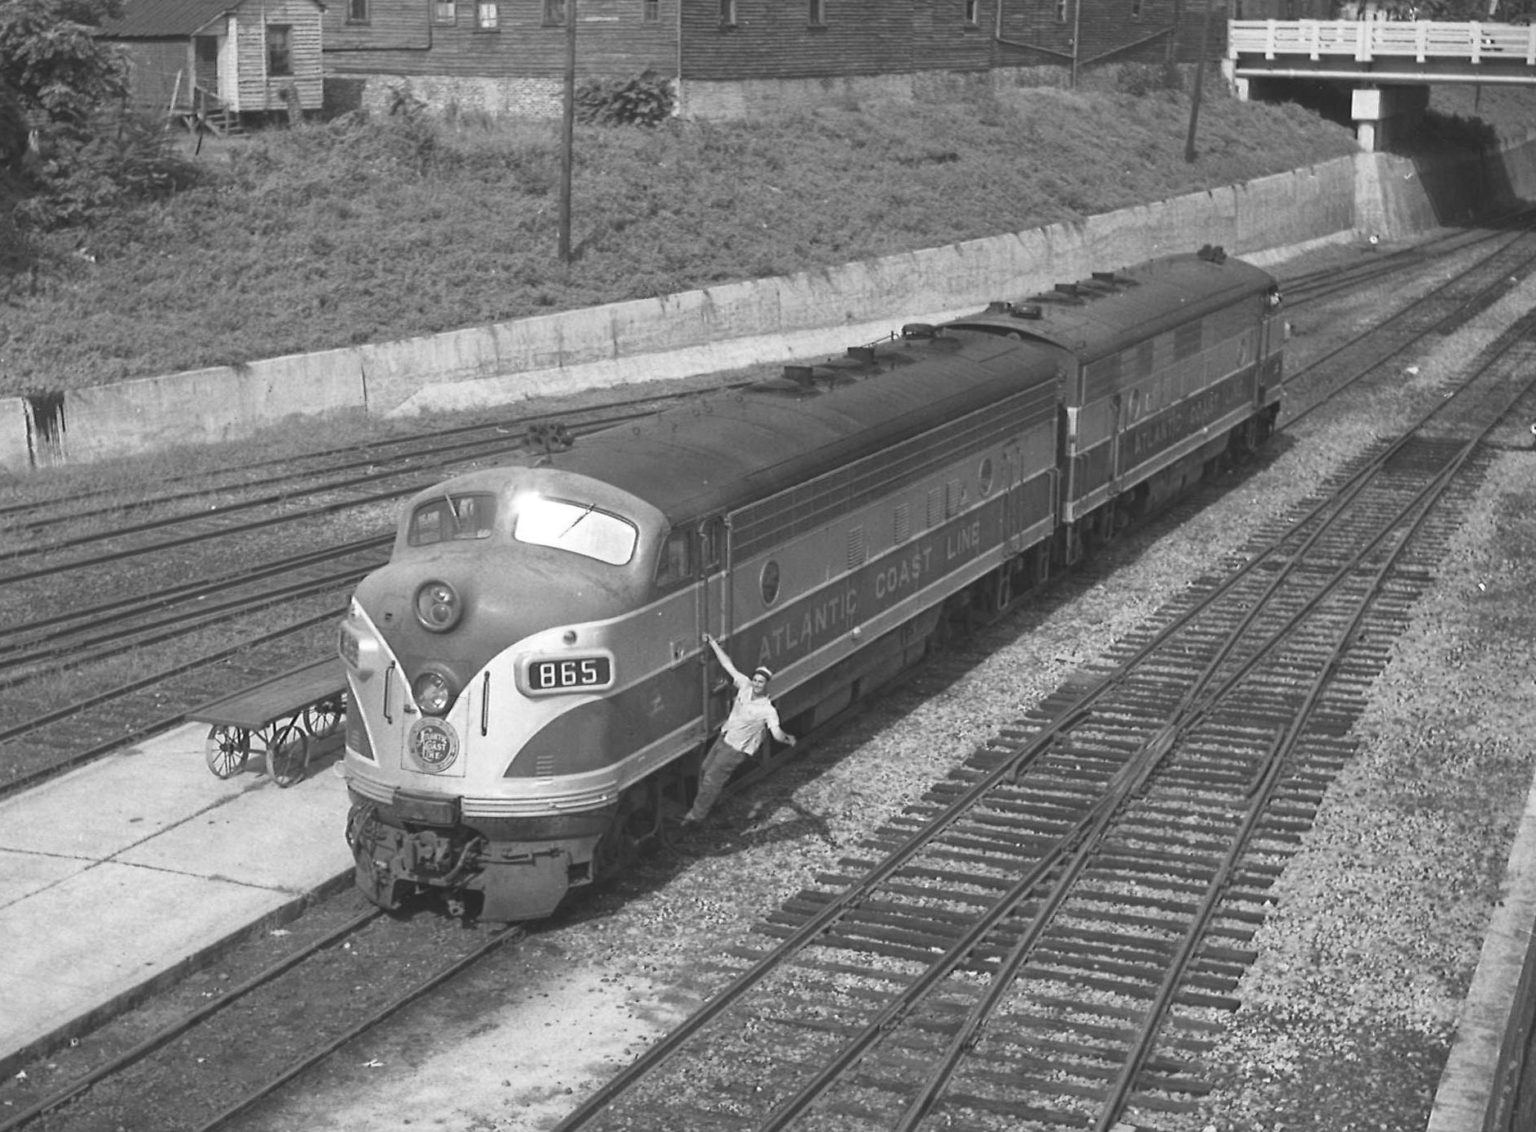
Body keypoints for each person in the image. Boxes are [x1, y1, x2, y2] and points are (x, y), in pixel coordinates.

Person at [679, 633, 796, 828]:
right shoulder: (744, 686)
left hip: (736, 749)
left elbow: (776, 733)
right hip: (724, 738)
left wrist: (787, 739)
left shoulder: (767, 710)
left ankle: (695, 817)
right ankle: (707, 805)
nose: (757, 684)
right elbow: (727, 665)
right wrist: (713, 644)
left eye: (761, 682)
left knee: (711, 779)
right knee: (705, 770)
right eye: (756, 680)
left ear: (767, 684)